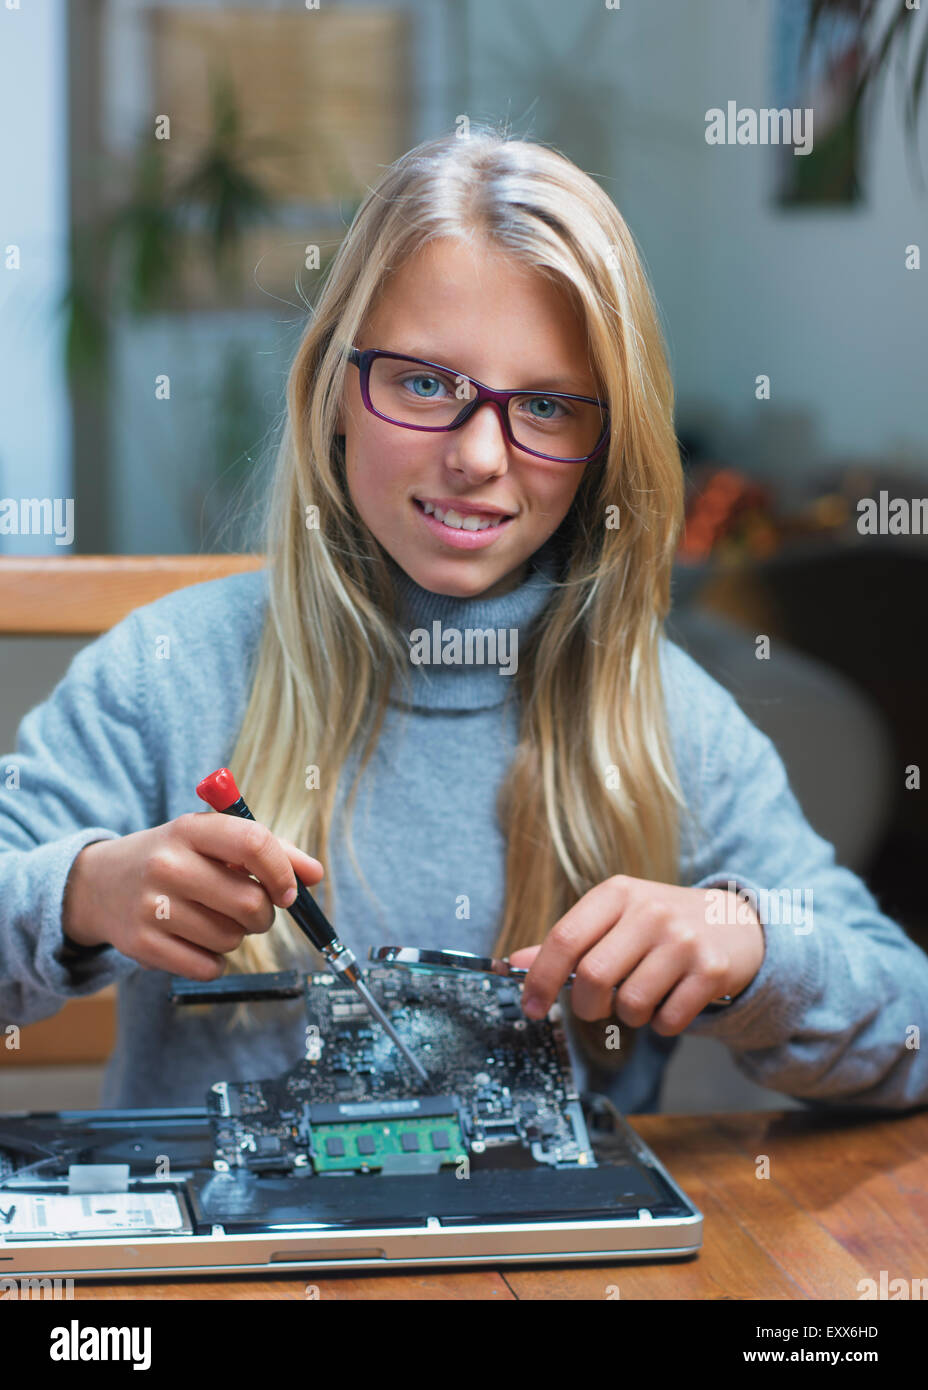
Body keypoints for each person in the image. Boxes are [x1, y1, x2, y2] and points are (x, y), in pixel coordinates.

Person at [2, 127, 926, 1114]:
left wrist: (759, 950)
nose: (480, 455)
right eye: (425, 382)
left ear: (605, 444)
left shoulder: (665, 715)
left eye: (546, 405)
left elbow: (906, 1029)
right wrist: (84, 894)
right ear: (335, 393)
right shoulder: (166, 672)